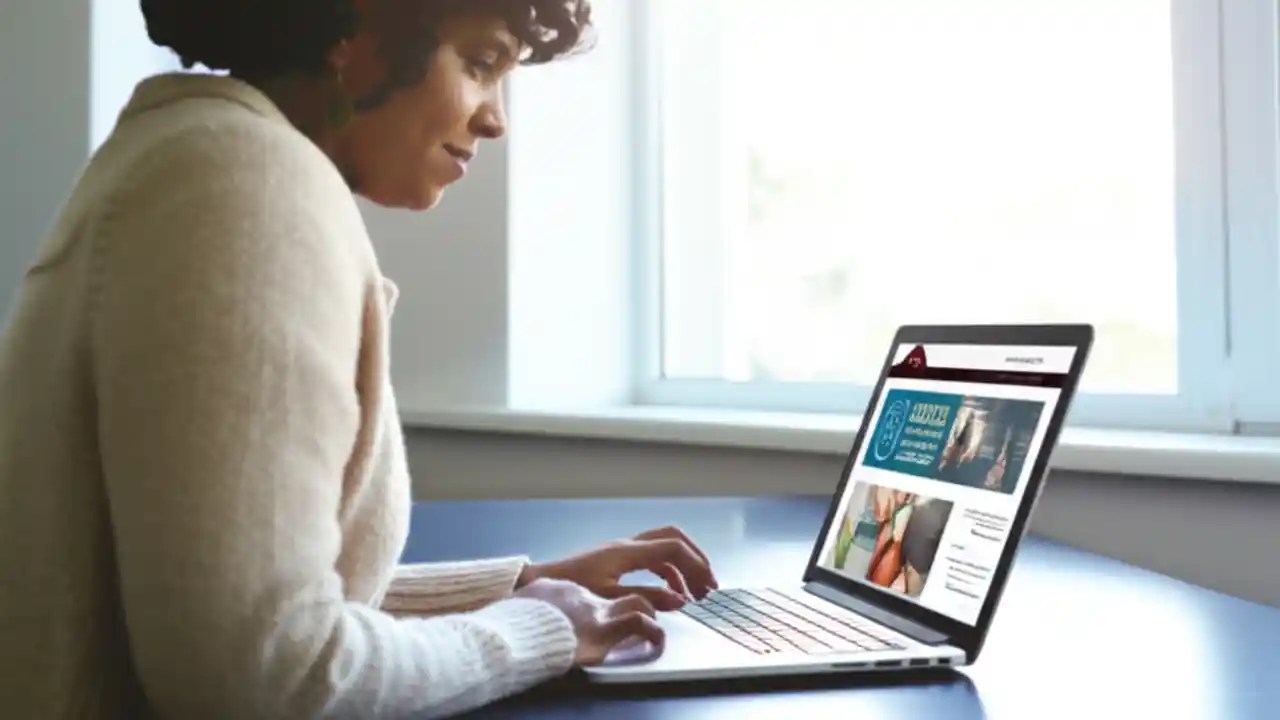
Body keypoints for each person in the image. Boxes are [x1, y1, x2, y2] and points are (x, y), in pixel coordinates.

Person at [0, 1, 721, 718]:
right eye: (479, 64)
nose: (496, 119)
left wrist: (517, 586)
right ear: (361, 31)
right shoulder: (247, 187)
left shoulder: (198, 152)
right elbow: (264, 675)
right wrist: (542, 630)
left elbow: (234, 601)